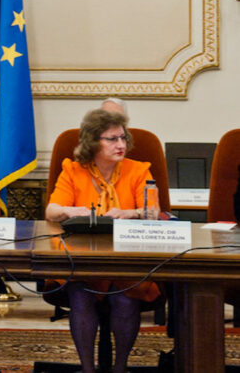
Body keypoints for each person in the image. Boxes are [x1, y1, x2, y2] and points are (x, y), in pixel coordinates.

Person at [46, 108, 160, 373]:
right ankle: (87, 369)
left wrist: (131, 213)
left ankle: (120, 368)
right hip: (82, 261)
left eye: (123, 138)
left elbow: (154, 211)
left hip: (127, 261)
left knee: (125, 297)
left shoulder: (138, 170)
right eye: (112, 139)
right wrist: (70, 211)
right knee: (80, 294)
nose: (121, 144)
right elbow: (51, 211)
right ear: (93, 142)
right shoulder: (73, 170)